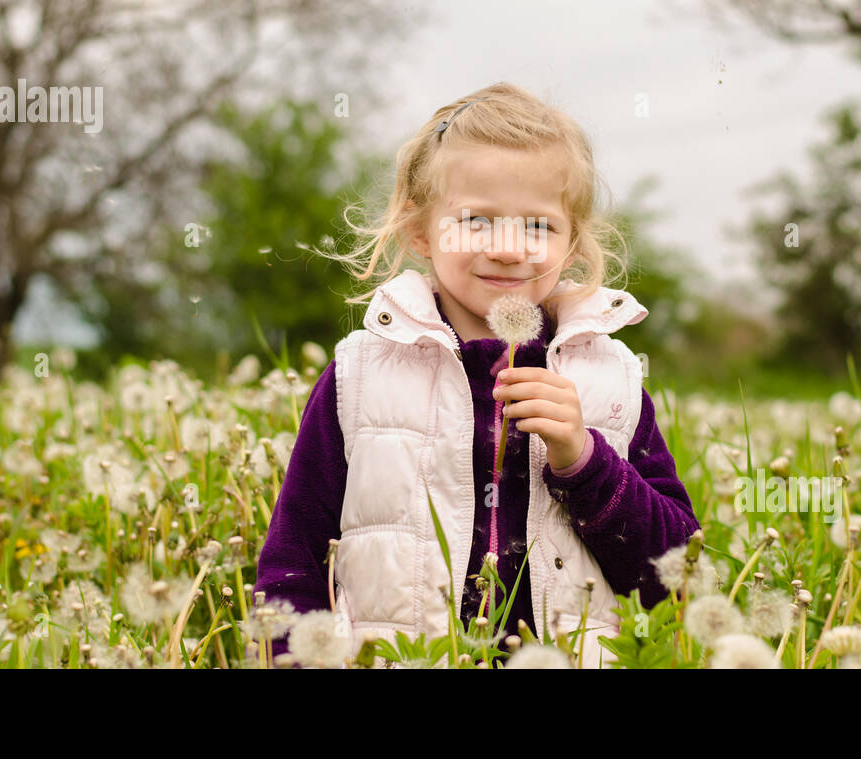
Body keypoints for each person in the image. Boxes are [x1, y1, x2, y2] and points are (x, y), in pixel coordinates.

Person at [253, 82, 700, 668]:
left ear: (571, 245)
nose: (510, 248)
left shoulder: (608, 379)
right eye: (476, 221)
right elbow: (294, 561)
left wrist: (584, 461)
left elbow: (675, 579)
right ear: (419, 231)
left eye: (539, 226)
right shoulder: (360, 375)